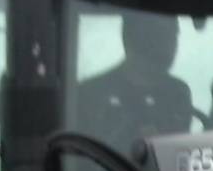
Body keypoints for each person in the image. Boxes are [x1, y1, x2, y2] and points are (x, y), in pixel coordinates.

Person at [73, 11, 193, 150]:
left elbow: (180, 156)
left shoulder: (178, 93)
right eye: (158, 33)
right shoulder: (90, 94)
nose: (169, 43)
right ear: (130, 37)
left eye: (173, 34)